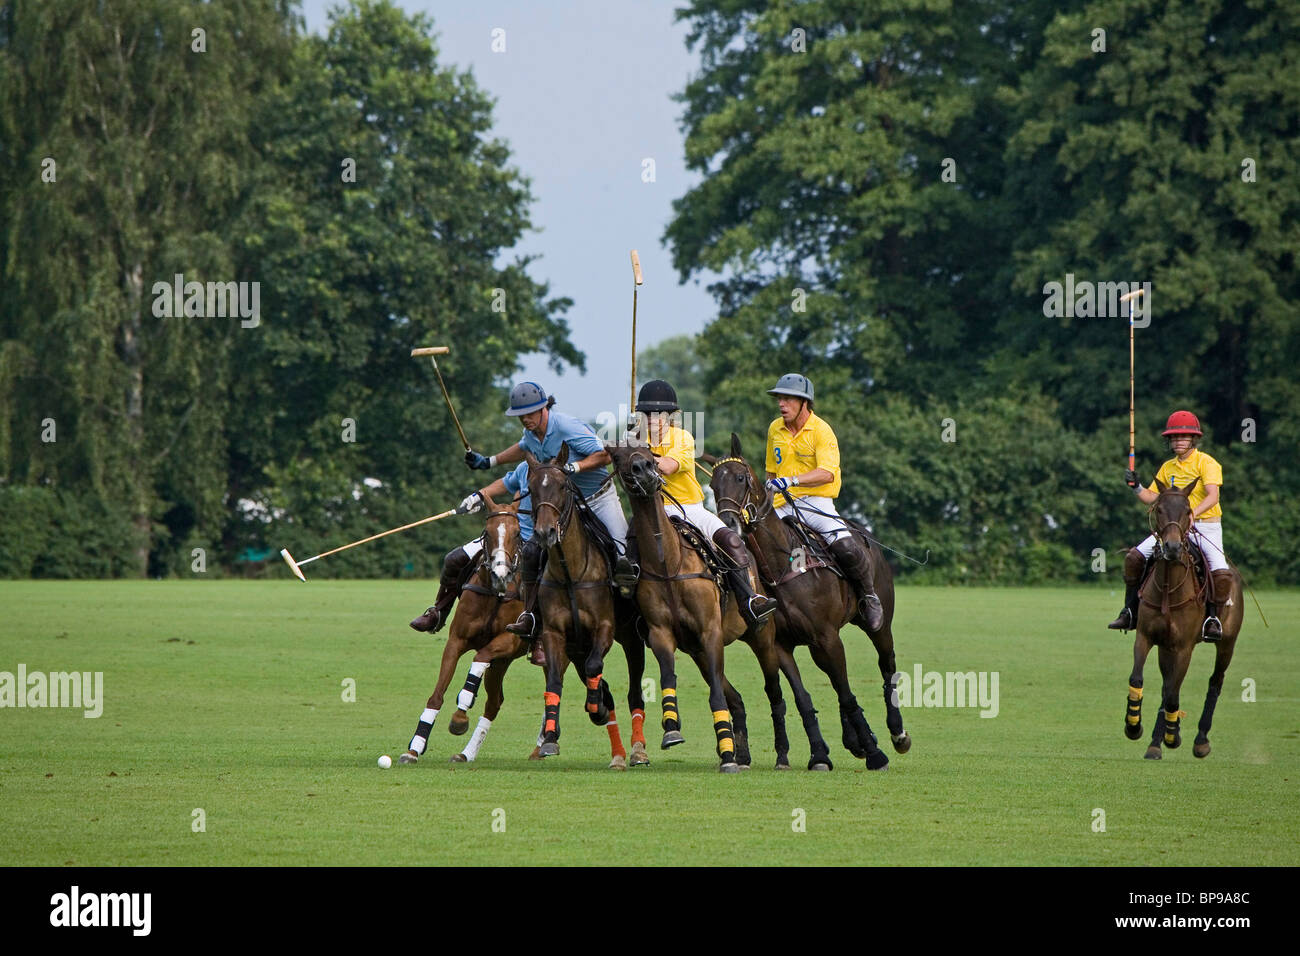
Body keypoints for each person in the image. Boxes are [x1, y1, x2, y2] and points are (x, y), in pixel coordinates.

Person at [464, 382, 632, 656]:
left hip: (599, 497)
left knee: (623, 550)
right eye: (521, 415)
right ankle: (531, 616)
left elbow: (604, 455)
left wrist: (573, 466)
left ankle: (633, 612)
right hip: (568, 505)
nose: (526, 419)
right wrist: (489, 462)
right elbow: (522, 447)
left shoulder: (567, 427)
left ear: (544, 408)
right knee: (535, 552)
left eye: (530, 413)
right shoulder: (530, 433)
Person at [632, 379, 777, 626]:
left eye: (659, 414)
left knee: (731, 540)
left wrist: (638, 454)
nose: (653, 419)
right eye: (647, 414)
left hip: (688, 508)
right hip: (652, 512)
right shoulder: (635, 438)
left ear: (670, 417)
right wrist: (629, 447)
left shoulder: (683, 438)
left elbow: (667, 466)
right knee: (626, 551)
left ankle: (749, 600)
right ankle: (631, 612)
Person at [763, 373, 884, 631]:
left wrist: (791, 481)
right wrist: (769, 490)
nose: (781, 404)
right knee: (752, 542)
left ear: (804, 402)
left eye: (787, 399)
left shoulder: (821, 430)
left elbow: (827, 472)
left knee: (846, 547)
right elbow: (771, 471)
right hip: (781, 504)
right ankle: (754, 600)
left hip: (815, 502)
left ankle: (870, 596)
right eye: (779, 399)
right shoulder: (775, 428)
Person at [1108, 410, 1232, 640]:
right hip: (1174, 528)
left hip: (1206, 526)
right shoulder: (1168, 467)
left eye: (1183, 436)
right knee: (1134, 558)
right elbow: (1152, 497)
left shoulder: (1207, 463)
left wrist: (1192, 513)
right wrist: (1136, 486)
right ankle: (1129, 611)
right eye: (1174, 437)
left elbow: (1213, 496)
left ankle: (1212, 619)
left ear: (1194, 439)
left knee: (1221, 573)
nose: (1178, 441)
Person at [407, 462, 537, 653]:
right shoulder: (524, 467)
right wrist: (478, 497)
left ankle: (539, 637)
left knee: (546, 575)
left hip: (537, 538)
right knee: (454, 559)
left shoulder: (559, 468)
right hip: (504, 535)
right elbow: (505, 484)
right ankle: (438, 612)